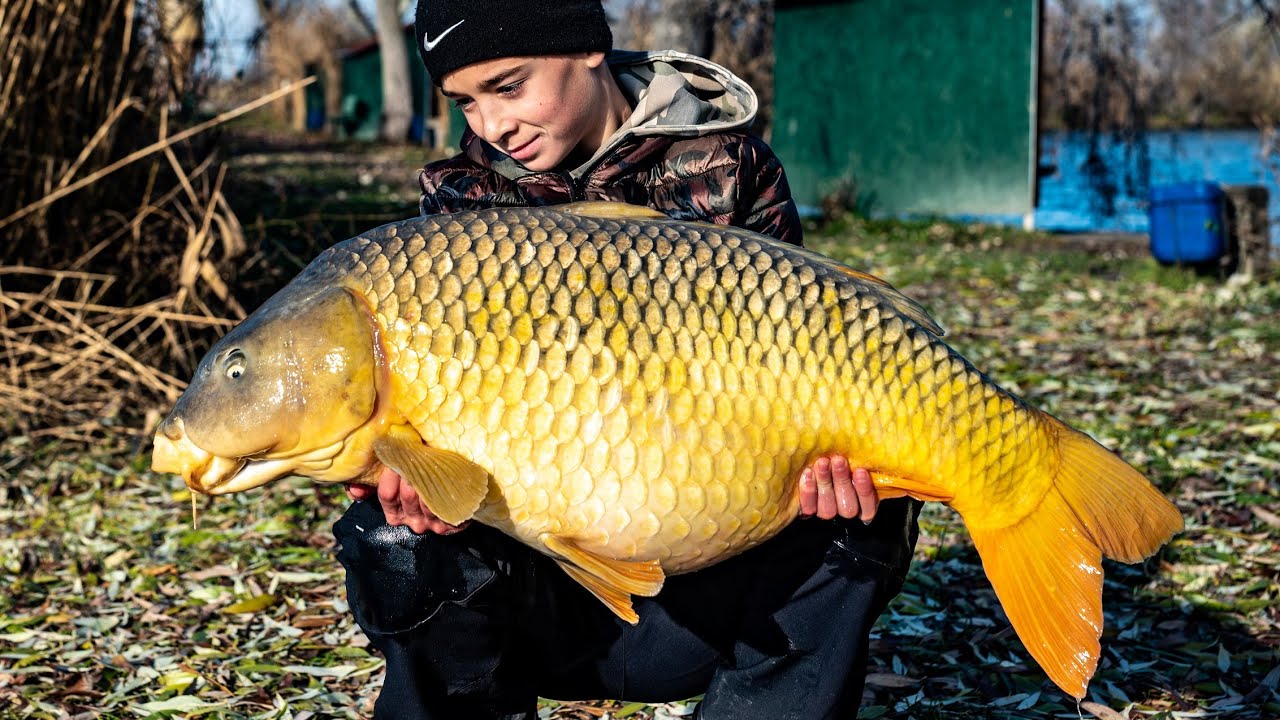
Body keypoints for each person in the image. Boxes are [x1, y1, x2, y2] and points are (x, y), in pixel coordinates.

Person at [335, 1, 922, 717]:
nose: (491, 125)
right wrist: (430, 492)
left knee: (865, 504)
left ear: (587, 46)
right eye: (465, 101)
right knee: (388, 533)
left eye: (509, 86)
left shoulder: (732, 170)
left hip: (710, 586)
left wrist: (823, 467)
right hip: (540, 599)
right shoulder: (462, 205)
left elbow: (798, 361)